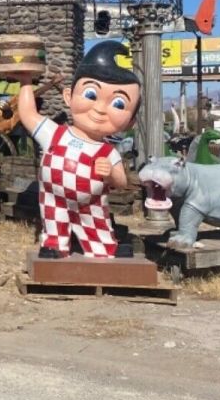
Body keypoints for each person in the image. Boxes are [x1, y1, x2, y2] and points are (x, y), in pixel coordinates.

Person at [17, 40, 141, 259]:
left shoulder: (107, 151)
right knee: (54, 221)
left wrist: (111, 174)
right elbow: (28, 114)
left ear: (130, 121)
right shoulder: (55, 133)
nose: (100, 109)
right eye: (91, 95)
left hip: (91, 202)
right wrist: (26, 82)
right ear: (68, 96)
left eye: (118, 104)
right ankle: (55, 245)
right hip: (54, 197)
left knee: (97, 225)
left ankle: (104, 248)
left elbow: (122, 182)